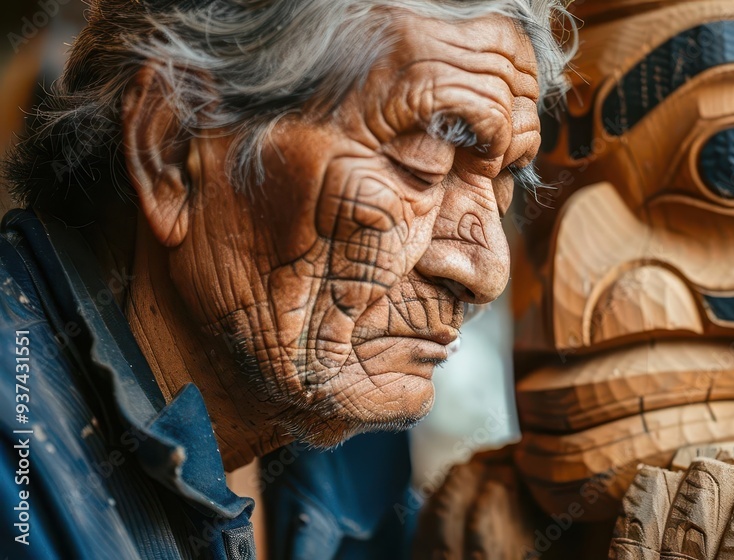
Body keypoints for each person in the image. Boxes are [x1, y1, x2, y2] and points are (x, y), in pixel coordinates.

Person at [0, 1, 572, 557]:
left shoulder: (342, 432)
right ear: (173, 149)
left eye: (504, 183)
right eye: (421, 164)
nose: (488, 271)